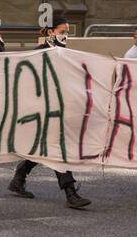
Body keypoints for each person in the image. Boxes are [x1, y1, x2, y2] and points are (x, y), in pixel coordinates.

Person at [6, 16, 91, 210]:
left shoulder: (67, 54)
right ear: (51, 32)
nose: (66, 35)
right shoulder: (38, 53)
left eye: (68, 31)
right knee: (56, 148)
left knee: (44, 147)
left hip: (59, 110)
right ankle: (70, 192)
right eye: (62, 31)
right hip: (42, 111)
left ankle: (19, 178)